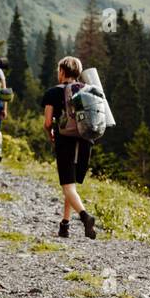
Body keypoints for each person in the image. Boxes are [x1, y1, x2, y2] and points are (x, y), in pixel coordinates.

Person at [41, 56, 97, 239]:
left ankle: (85, 216)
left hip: (65, 141)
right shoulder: (89, 90)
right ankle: (64, 225)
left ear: (62, 72)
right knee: (71, 185)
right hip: (86, 141)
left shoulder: (53, 93)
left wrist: (49, 133)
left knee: (67, 186)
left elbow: (47, 122)